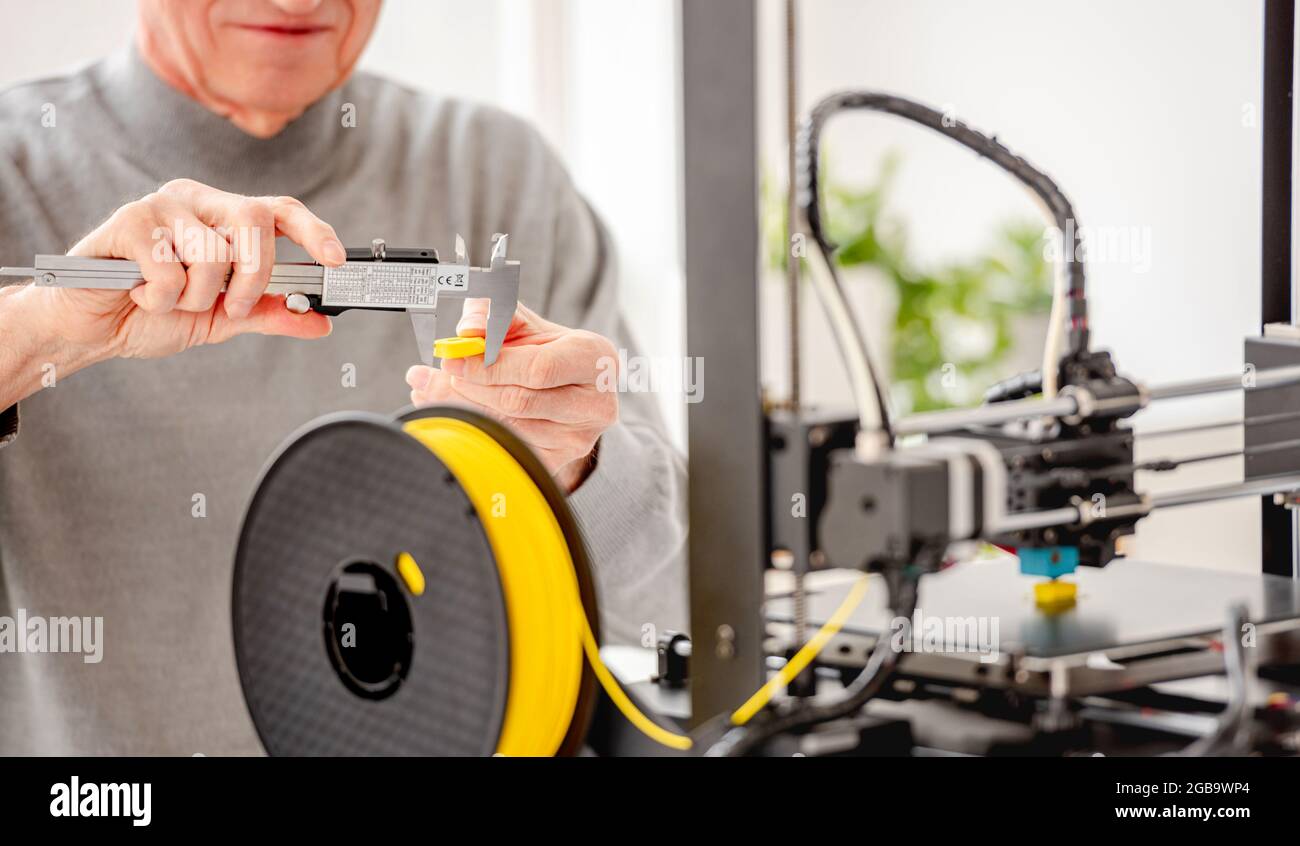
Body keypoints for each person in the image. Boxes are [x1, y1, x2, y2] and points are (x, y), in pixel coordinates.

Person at [0, 0, 686, 754]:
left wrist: (577, 470)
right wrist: (37, 334)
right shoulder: (12, 175)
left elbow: (684, 609)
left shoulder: (501, 173)